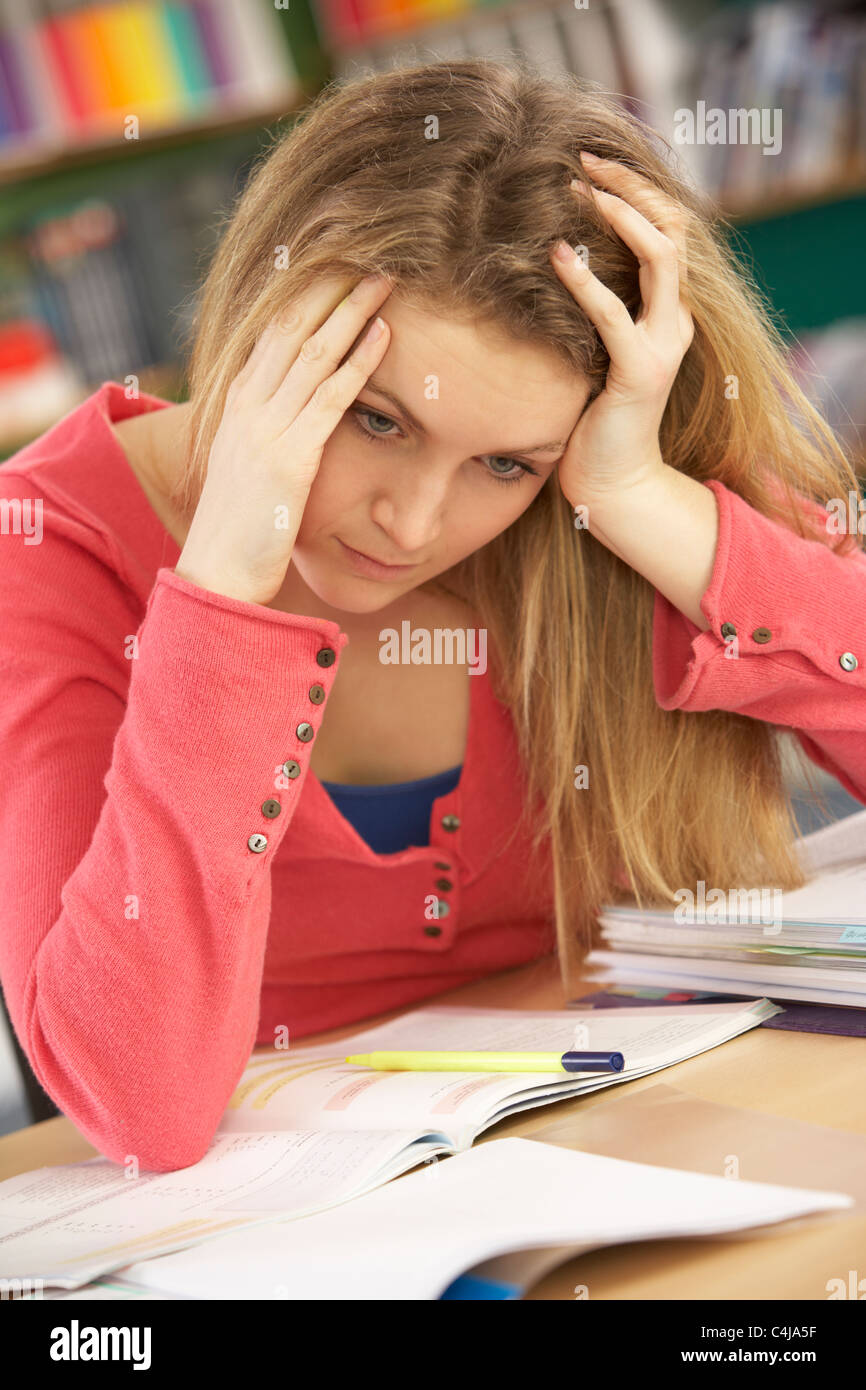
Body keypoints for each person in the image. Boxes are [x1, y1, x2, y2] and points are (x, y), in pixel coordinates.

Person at [1, 59, 863, 1173]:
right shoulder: (45, 546)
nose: (410, 524)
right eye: (375, 419)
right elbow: (140, 1104)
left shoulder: (598, 484)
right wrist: (217, 592)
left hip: (657, 1145)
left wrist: (638, 500)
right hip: (293, 1227)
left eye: (502, 463)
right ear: (267, 318)